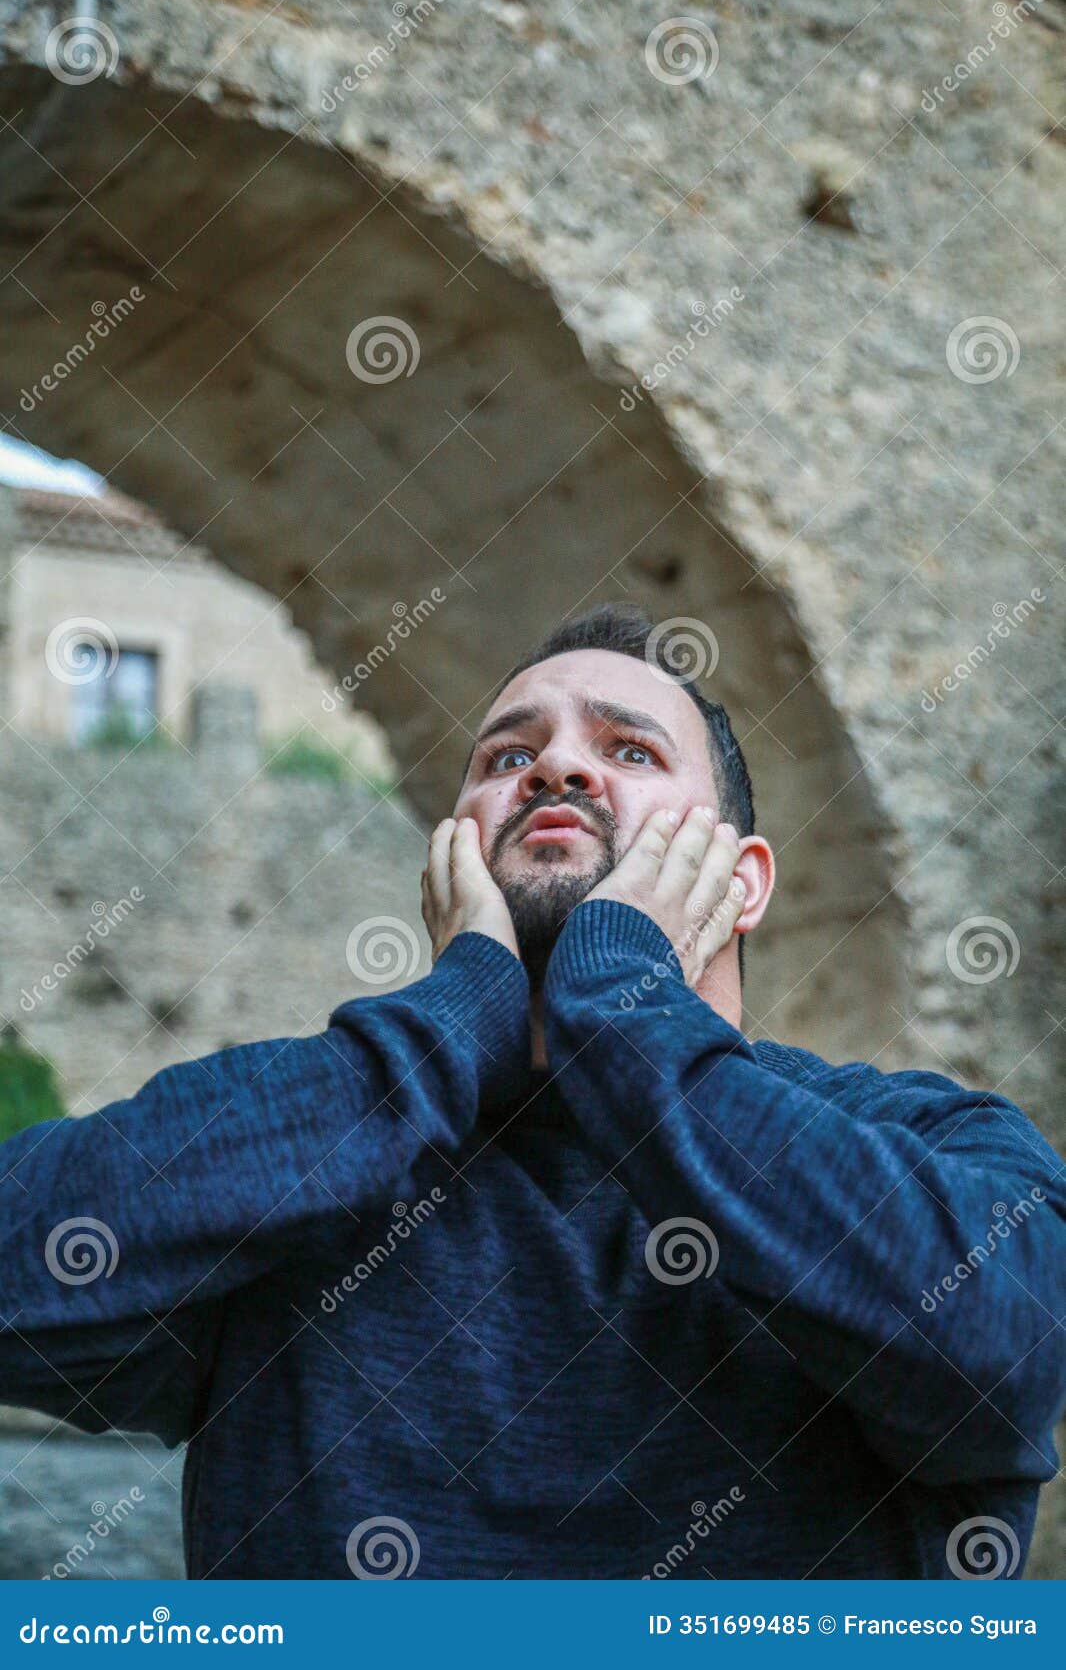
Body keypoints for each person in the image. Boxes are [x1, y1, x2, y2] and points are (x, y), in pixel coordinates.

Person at [1, 604, 1063, 1581]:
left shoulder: (933, 1139)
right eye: (509, 753)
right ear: (448, 847)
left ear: (740, 881)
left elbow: (1003, 1358)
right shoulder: (317, 1167)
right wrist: (448, 1020)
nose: (555, 765)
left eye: (628, 749)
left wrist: (626, 1004)